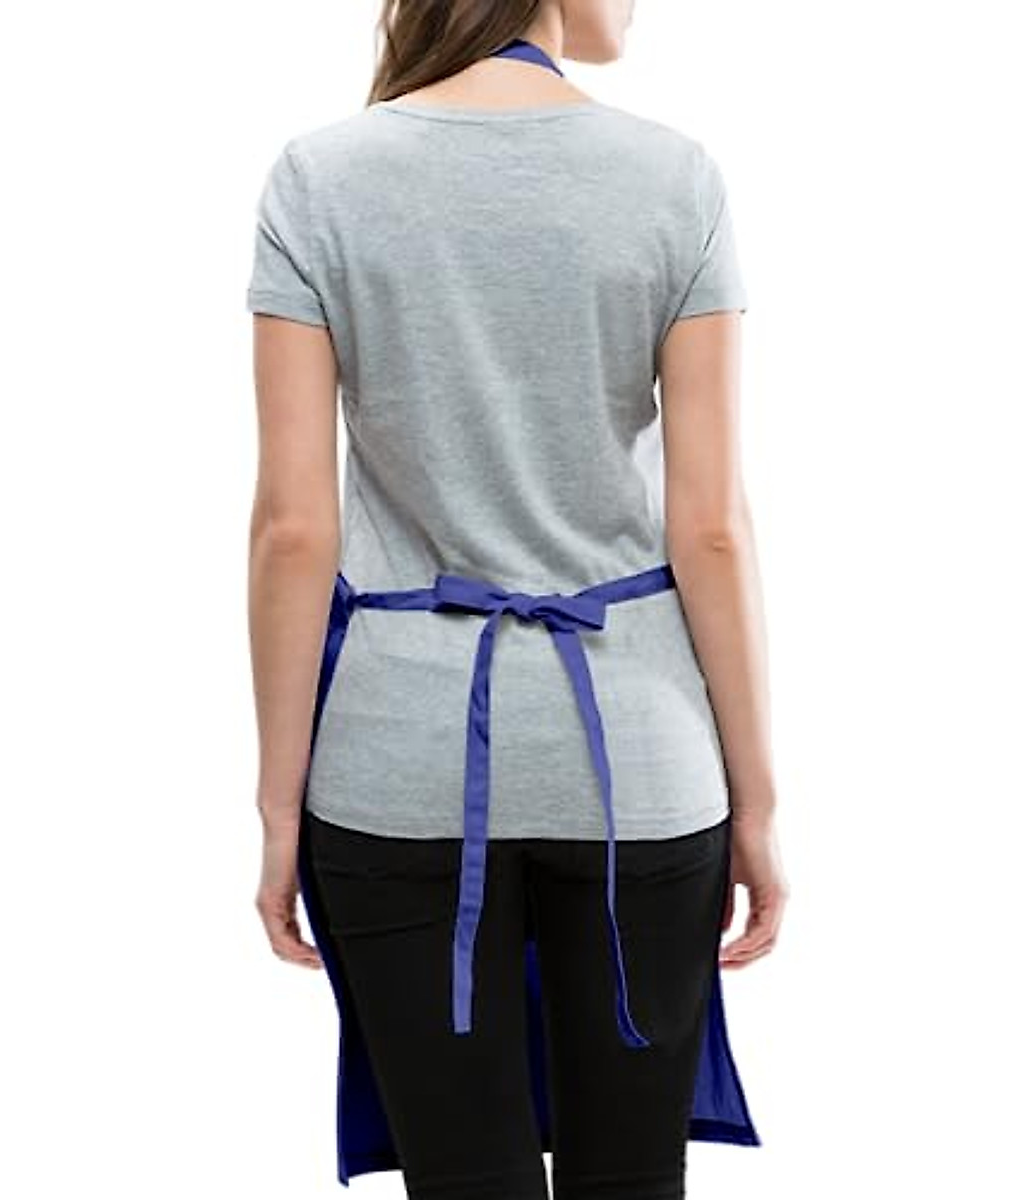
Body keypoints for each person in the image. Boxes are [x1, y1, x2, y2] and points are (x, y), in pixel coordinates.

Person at [245, 1, 789, 1196]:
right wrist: (756, 802)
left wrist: (279, 811)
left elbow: (294, 529)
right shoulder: (673, 177)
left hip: (395, 766)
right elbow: (710, 526)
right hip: (639, 768)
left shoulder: (320, 177)